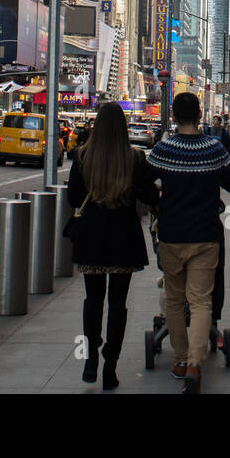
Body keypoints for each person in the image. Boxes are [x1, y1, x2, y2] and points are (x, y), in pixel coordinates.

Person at [144, 91, 230, 394]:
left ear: (174, 116)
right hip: (205, 235)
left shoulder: (163, 149)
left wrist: (160, 201)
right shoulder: (213, 148)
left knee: (174, 300)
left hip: (172, 235)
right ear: (200, 116)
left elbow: (141, 181)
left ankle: (181, 358)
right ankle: (196, 364)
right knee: (202, 301)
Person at [66, 101, 160, 390]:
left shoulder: (82, 156)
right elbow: (150, 197)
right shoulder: (134, 158)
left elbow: (72, 198)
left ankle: (91, 359)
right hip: (123, 237)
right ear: (123, 127)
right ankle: (110, 365)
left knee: (92, 301)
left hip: (92, 236)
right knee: (118, 304)